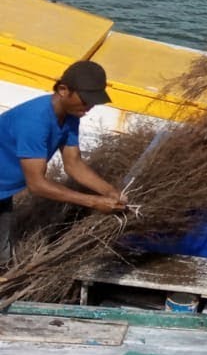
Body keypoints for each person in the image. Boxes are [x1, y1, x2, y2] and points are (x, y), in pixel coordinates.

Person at [0, 61, 127, 264]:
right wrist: (94, 201)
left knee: (2, 259)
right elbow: (37, 185)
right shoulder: (34, 121)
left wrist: (109, 191)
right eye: (85, 100)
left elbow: (73, 164)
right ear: (63, 90)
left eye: (94, 102)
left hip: (3, 192)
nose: (89, 108)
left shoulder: (70, 115)